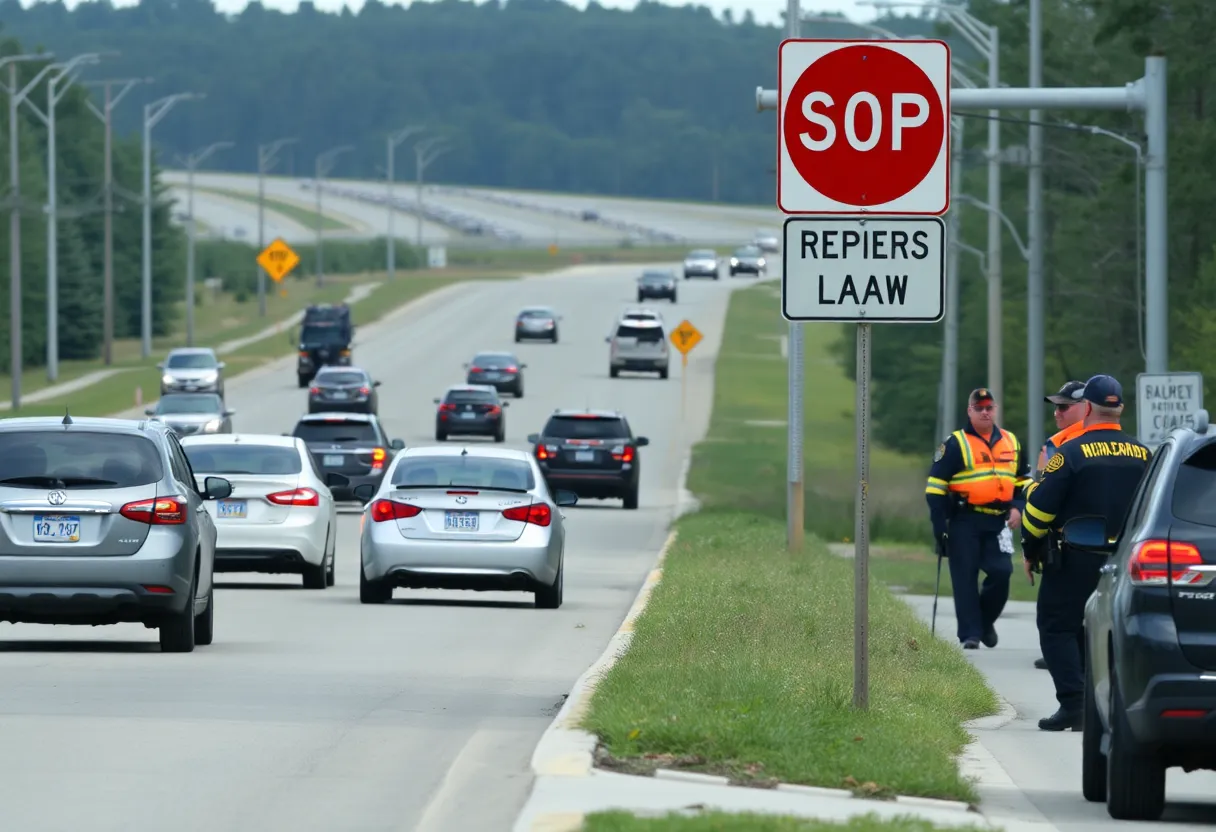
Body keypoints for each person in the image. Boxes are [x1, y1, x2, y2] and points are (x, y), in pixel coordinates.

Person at [1021, 374, 1149, 731]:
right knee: (1105, 631)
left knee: (1057, 627)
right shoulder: (1143, 454)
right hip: (1124, 563)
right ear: (1119, 408)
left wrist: (1030, 550)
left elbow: (1037, 513)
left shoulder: (1070, 455)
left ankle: (1075, 704)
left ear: (1088, 407)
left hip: (1074, 558)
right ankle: (1100, 705)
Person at [926, 388, 1033, 649]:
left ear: (995, 410)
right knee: (965, 579)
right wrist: (940, 528)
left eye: (989, 407)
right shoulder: (955, 443)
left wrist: (1018, 507)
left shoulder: (1012, 441)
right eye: (979, 407)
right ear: (970, 411)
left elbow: (1024, 481)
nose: (985, 412)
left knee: (1002, 572)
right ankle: (970, 635)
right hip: (965, 520)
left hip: (999, 521)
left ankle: (984, 622)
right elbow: (935, 489)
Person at [1031, 380, 1089, 671]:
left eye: (1064, 407)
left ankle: (1071, 671)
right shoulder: (1052, 444)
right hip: (1058, 539)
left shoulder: (1073, 445)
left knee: (1064, 616)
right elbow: (1038, 487)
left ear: (1085, 407)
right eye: (1055, 407)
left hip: (1080, 541)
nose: (1057, 413)